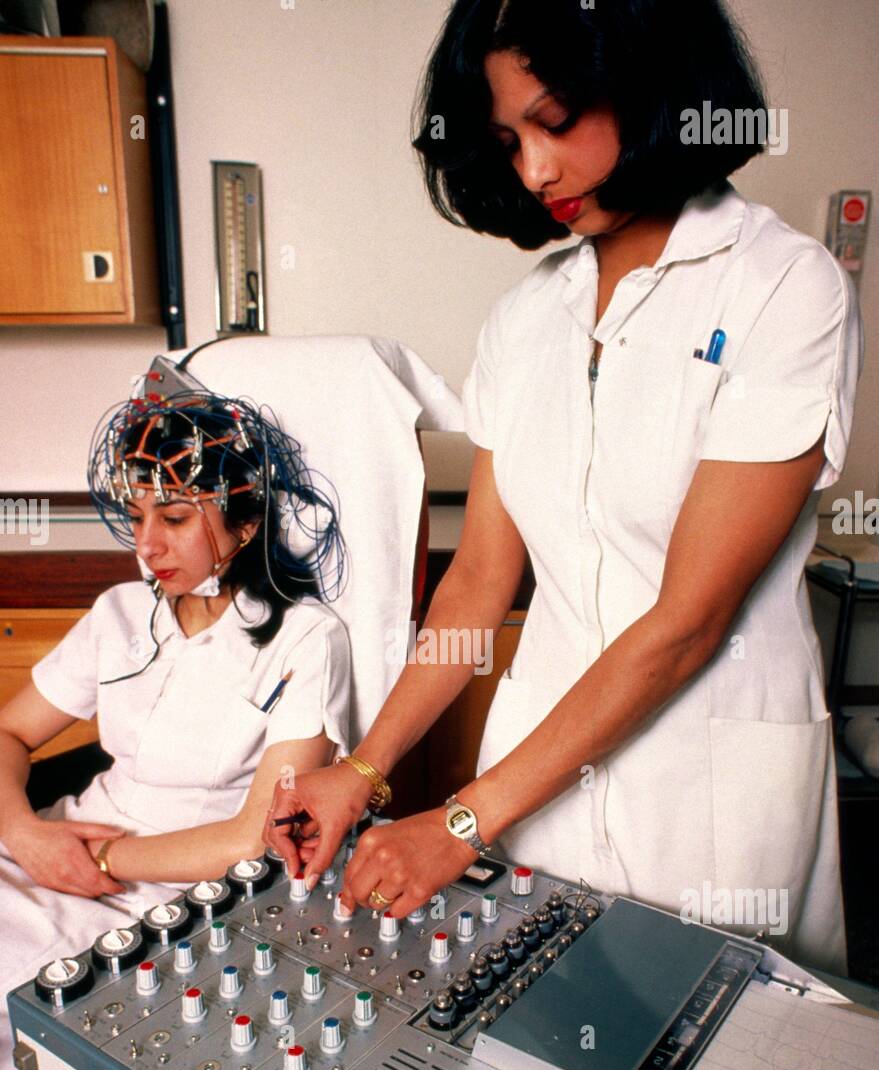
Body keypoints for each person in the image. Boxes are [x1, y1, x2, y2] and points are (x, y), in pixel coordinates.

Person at [264, 0, 863, 981]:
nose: (536, 170)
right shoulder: (523, 321)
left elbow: (687, 621)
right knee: (549, 1055)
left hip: (707, 780)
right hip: (536, 776)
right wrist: (362, 773)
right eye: (508, 140)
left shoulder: (783, 288)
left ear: (652, 86)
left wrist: (459, 819)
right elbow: (476, 586)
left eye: (555, 120)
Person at [0, 381, 351, 1070]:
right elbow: (7, 730)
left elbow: (255, 836)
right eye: (135, 517)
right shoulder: (119, 612)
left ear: (246, 520)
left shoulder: (308, 639)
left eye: (175, 516)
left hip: (169, 891)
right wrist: (23, 831)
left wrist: (92, 858)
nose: (146, 544)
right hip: (52, 847)